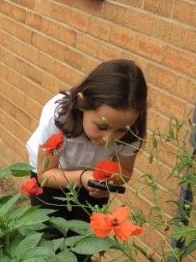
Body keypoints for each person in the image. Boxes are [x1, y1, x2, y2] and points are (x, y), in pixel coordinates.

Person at [25, 58, 148, 245]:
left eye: (121, 130)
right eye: (101, 126)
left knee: (85, 243)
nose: (108, 140)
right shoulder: (58, 116)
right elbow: (45, 175)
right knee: (48, 239)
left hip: (93, 186)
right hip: (51, 179)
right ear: (81, 103)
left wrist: (109, 181)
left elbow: (125, 171)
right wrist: (82, 177)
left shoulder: (133, 129)